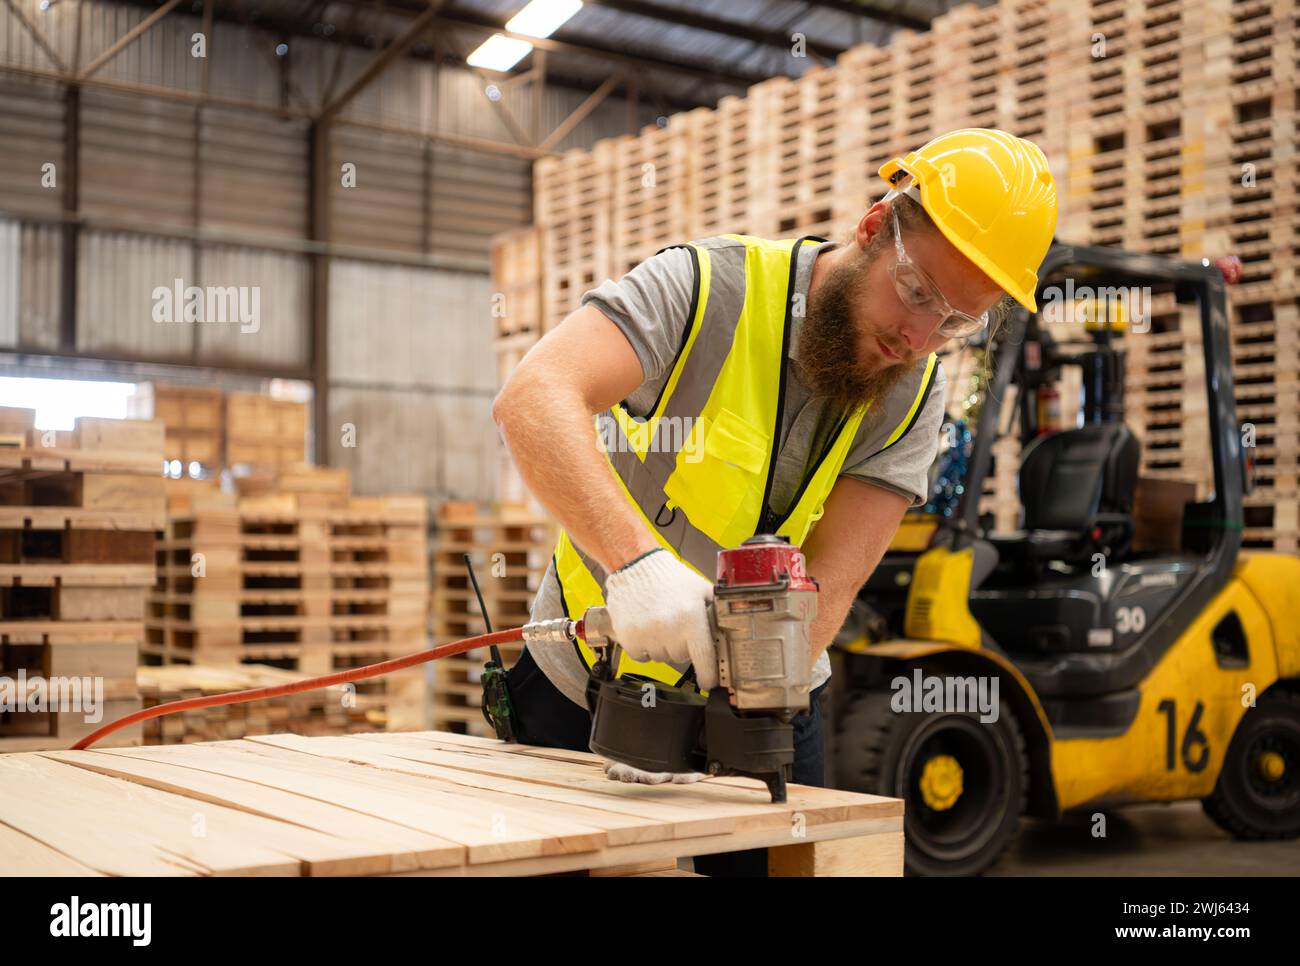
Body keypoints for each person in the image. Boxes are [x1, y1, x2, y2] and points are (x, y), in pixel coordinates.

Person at [490, 128, 1059, 875]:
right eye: (916, 292)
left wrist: (739, 699)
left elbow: (833, 580)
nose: (918, 336)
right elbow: (534, 397)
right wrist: (636, 567)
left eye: (956, 323)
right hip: (580, 677)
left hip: (763, 705)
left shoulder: (916, 392)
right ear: (870, 230)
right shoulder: (706, 289)